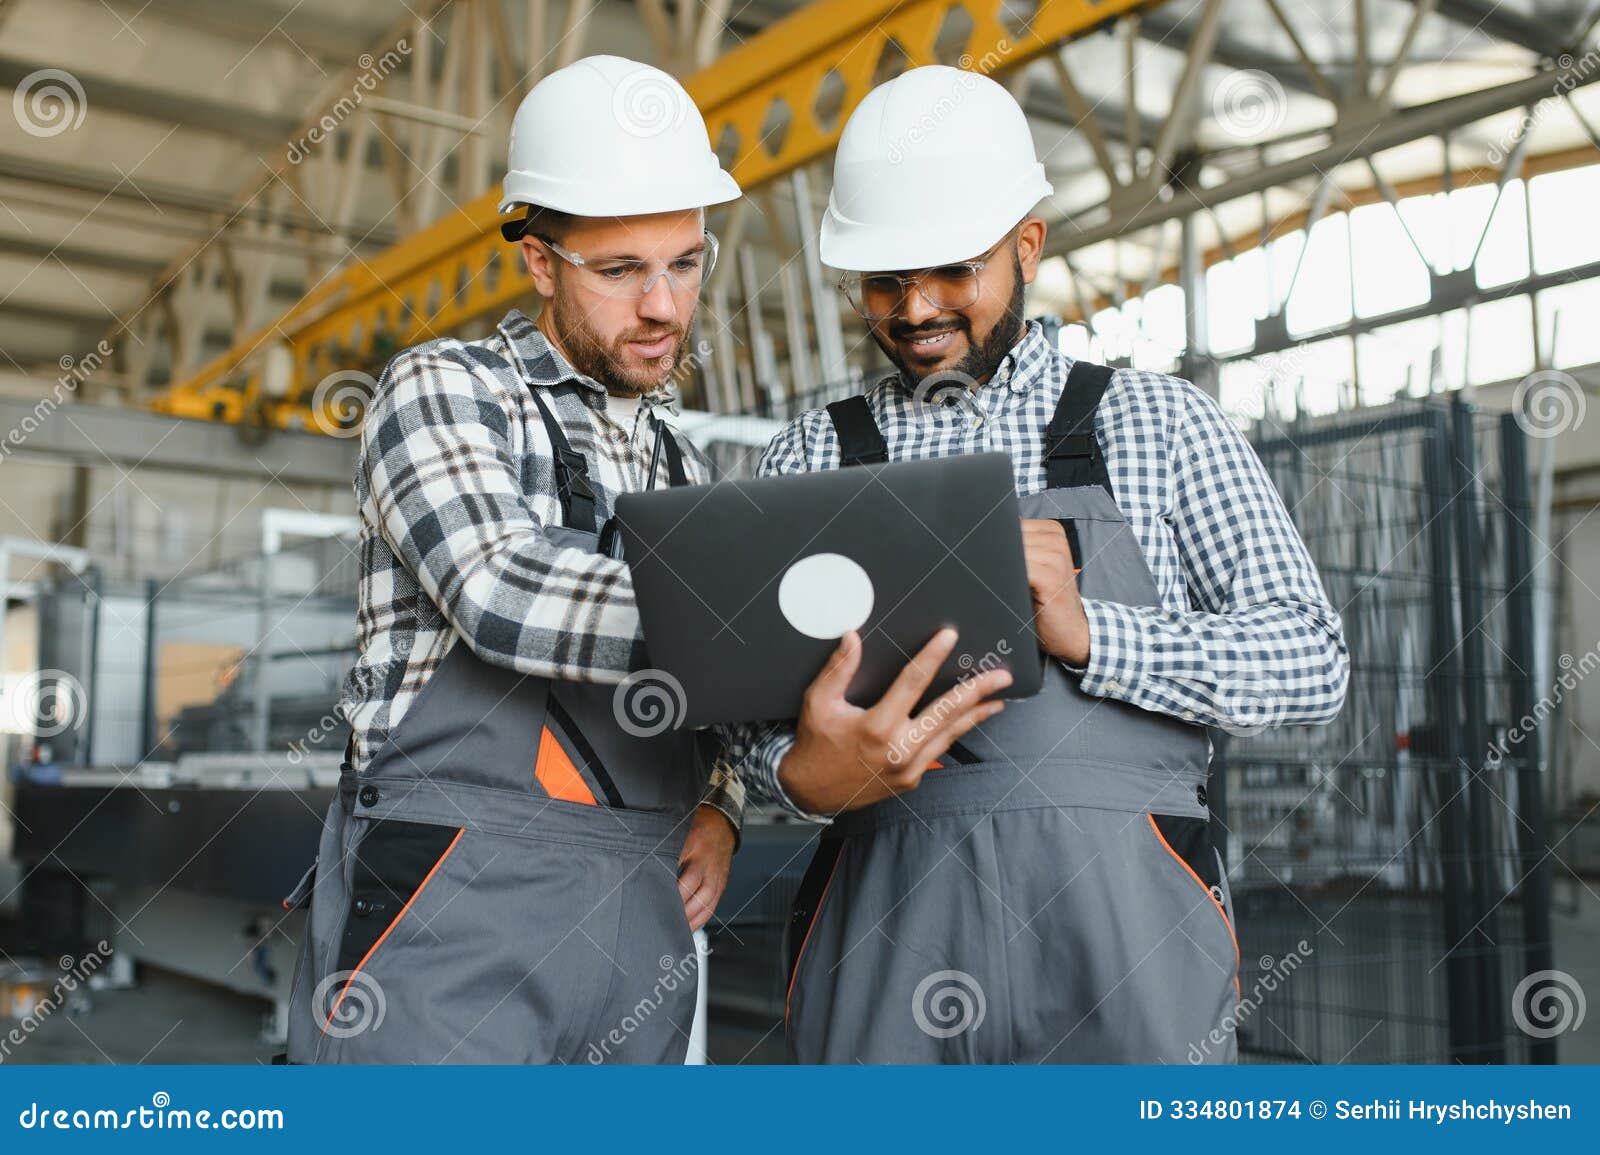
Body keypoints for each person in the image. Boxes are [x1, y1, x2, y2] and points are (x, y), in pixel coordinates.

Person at [723, 65, 1350, 1063]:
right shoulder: (810, 456)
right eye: (884, 281)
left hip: (1129, 931)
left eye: (951, 271)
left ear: (1027, 245)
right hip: (886, 927)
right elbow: (747, 719)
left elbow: (1309, 661)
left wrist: (1097, 634)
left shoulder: (1158, 424)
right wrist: (799, 773)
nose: (915, 308)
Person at [284, 55, 744, 1064]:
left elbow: (718, 709)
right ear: (540, 262)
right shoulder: (448, 390)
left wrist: (722, 801)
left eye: (685, 262)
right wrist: (751, 616)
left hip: (639, 919)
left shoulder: (687, 464)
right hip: (454, 906)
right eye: (620, 271)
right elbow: (499, 590)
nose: (664, 306)